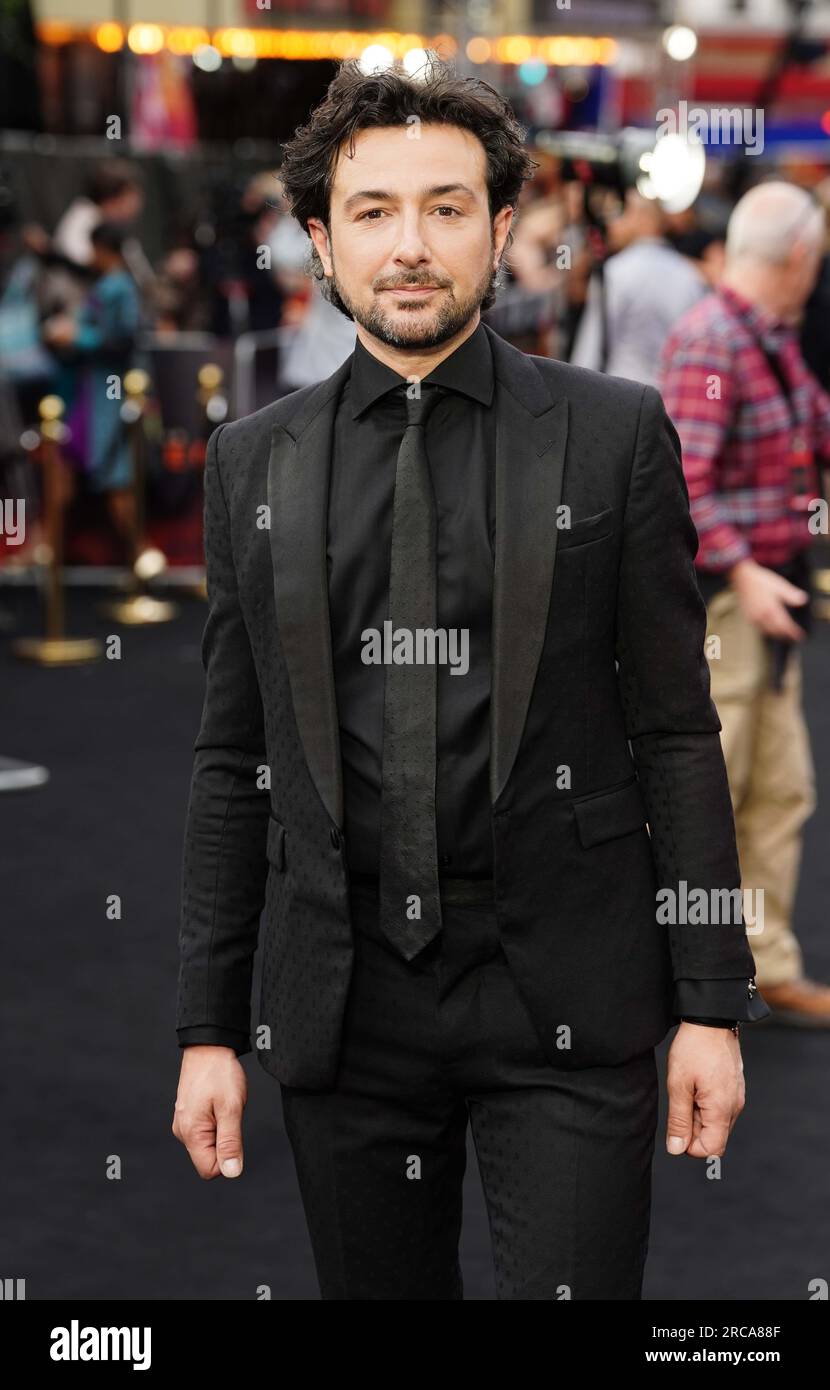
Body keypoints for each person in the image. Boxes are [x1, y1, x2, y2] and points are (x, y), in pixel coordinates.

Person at [172, 60, 769, 1301]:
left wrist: (711, 1001)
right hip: (344, 1005)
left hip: (566, 991)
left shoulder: (611, 434)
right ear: (320, 240)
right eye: (372, 211)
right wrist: (207, 1026)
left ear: (499, 231)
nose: (408, 245)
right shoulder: (250, 464)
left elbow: (674, 729)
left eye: (444, 208)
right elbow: (233, 760)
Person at [660, 180, 830, 1027]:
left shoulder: (767, 338)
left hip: (767, 598)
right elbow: (681, 486)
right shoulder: (713, 342)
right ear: (800, 257)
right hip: (729, 606)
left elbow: (810, 437)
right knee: (711, 797)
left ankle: (762, 965)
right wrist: (746, 571)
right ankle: (684, 976)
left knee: (779, 789)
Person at [42, 221, 142, 557]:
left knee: (116, 479)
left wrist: (78, 336)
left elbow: (122, 340)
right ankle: (49, 550)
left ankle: (140, 556)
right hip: (90, 393)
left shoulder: (121, 287)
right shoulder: (109, 284)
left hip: (108, 395)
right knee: (63, 465)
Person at [570, 187, 708, 387]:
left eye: (620, 212)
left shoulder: (614, 272)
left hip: (620, 394)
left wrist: (576, 392)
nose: (612, 223)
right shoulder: (690, 276)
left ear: (643, 218)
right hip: (669, 395)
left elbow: (590, 350)